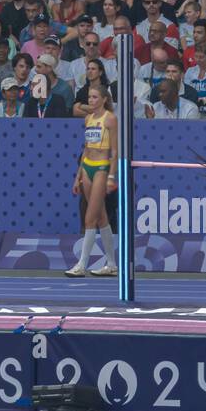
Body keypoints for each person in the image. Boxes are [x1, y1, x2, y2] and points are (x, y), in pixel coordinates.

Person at [65, 86, 119, 279]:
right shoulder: (88, 119)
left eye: (95, 97)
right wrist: (77, 176)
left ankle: (82, 264)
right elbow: (86, 149)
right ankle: (112, 264)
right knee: (101, 217)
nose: (92, 100)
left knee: (90, 218)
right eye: (90, 97)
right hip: (87, 166)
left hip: (102, 168)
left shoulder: (110, 119)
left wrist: (112, 176)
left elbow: (115, 151)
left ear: (104, 99)